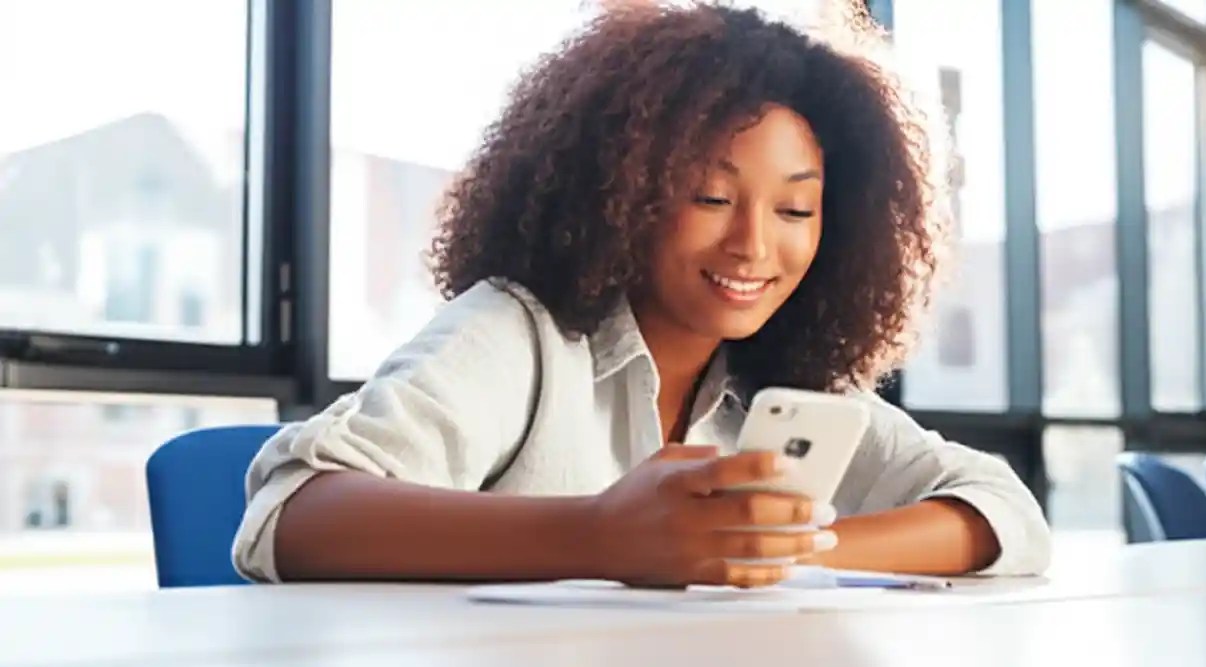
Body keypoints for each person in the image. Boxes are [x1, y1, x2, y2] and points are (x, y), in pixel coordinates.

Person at [232, 2, 1051, 587]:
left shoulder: (788, 383)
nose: (754, 245)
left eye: (796, 208)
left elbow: (1001, 510)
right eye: (710, 198)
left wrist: (773, 549)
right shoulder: (520, 332)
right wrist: (598, 535)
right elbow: (294, 513)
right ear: (619, 195)